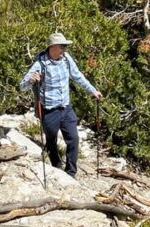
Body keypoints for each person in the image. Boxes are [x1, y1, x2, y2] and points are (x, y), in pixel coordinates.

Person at [20, 32, 102, 178]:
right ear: (52, 47)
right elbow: (22, 86)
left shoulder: (66, 60)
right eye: (62, 46)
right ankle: (56, 165)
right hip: (49, 111)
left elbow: (78, 76)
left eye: (65, 46)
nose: (64, 49)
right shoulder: (40, 64)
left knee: (74, 138)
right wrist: (32, 80)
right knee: (51, 141)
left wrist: (93, 90)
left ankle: (71, 173)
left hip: (65, 107)